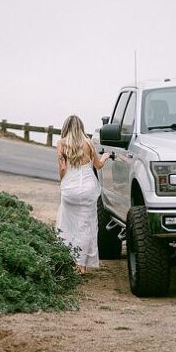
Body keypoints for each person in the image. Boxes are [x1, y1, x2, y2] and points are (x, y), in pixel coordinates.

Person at [55, 115, 111, 274]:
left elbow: (62, 168)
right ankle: (82, 265)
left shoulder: (61, 144)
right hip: (88, 189)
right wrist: (105, 156)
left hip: (70, 190)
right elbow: (98, 166)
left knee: (68, 224)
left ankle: (69, 259)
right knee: (85, 226)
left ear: (65, 127)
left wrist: (63, 184)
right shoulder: (89, 143)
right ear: (81, 127)